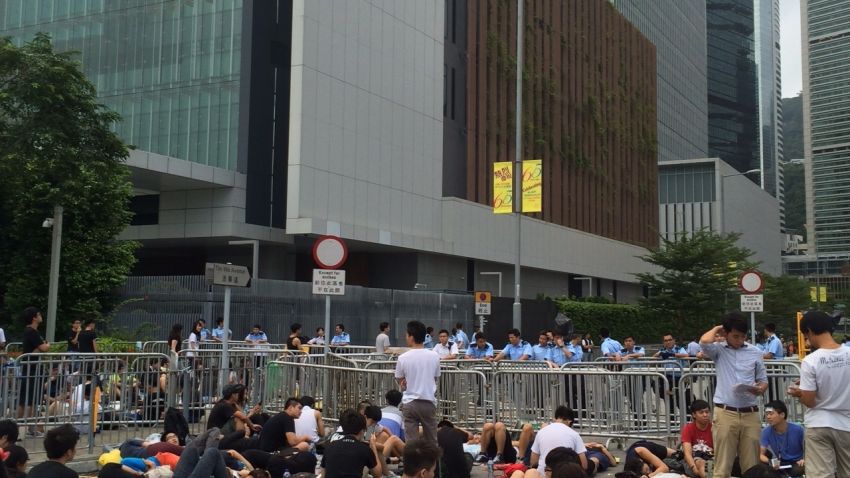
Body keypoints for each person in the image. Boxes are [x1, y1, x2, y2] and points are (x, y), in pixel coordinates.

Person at [700, 312, 768, 477]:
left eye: (742, 336)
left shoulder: (755, 352)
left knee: (752, 466)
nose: (739, 340)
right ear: (726, 333)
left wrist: (760, 389)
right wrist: (718, 328)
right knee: (723, 465)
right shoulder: (719, 350)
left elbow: (763, 380)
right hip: (725, 412)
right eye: (735, 336)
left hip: (750, 412)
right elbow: (704, 341)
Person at [787, 310, 850, 476]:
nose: (807, 340)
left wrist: (799, 393)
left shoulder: (811, 360)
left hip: (819, 424)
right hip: (847, 423)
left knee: (821, 474)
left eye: (805, 336)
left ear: (809, 330)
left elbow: (809, 400)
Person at [395, 320, 440, 443]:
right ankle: (432, 462)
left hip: (410, 402)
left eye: (406, 335)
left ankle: (412, 462)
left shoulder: (403, 358)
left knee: (411, 442)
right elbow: (435, 378)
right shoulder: (434, 356)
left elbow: (399, 378)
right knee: (432, 439)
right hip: (428, 401)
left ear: (411, 336)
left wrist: (404, 382)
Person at [321, 409, 382, 478]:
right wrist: (373, 445)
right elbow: (378, 474)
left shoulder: (329, 446)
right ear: (362, 430)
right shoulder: (364, 449)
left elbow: (323, 474)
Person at [17, 307, 50, 432]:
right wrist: (46, 346)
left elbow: (37, 349)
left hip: (32, 368)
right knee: (28, 400)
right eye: (39, 314)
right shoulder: (32, 331)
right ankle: (16, 428)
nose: (41, 316)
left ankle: (31, 427)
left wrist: (40, 348)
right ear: (34, 318)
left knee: (31, 400)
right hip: (31, 369)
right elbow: (43, 348)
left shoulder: (30, 331)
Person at [530, 406, 587, 474]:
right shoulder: (574, 434)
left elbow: (533, 461)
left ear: (555, 418)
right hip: (565, 474)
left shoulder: (541, 432)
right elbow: (584, 465)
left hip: (543, 474)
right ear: (569, 422)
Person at [758, 400, 804, 477]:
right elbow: (760, 454)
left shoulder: (798, 429)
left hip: (797, 462)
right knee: (761, 468)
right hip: (781, 462)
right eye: (766, 414)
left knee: (798, 469)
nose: (768, 417)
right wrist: (770, 462)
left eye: (771, 414)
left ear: (782, 414)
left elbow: (809, 449)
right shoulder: (766, 431)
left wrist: (804, 459)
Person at [680, 400, 713, 478]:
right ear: (694, 415)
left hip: (710, 458)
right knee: (701, 462)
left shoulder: (714, 428)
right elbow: (687, 453)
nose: (705, 415)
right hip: (693, 462)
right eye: (701, 412)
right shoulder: (688, 428)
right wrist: (694, 468)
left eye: (707, 412)